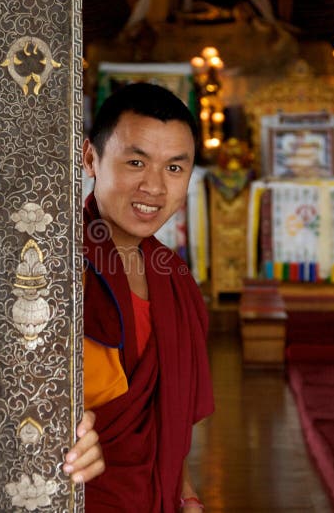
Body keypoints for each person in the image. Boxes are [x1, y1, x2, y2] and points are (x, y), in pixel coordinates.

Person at [63, 82, 215, 512]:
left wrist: (187, 496)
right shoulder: (53, 267)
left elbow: (169, 423)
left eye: (174, 168)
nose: (153, 187)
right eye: (135, 162)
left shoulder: (175, 278)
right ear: (91, 158)